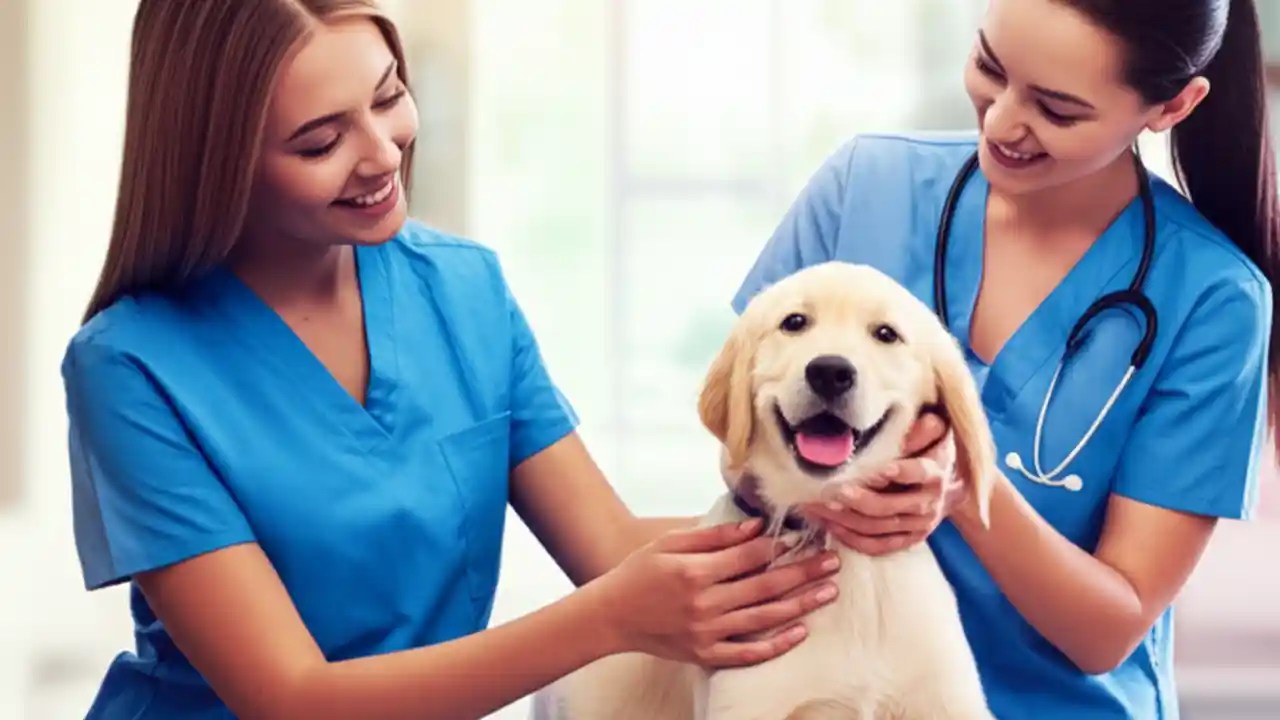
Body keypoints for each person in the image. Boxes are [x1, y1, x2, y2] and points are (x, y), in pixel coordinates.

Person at [61, 1, 965, 718]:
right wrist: (608, 620)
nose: (384, 155)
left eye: (387, 97)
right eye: (320, 141)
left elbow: (610, 548)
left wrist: (834, 510)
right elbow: (290, 698)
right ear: (219, 160)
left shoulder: (463, 291)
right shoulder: (133, 368)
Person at [733, 0, 1279, 718]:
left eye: (1057, 110)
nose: (999, 122)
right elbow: (737, 453)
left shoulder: (1213, 297)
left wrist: (964, 486)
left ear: (1171, 105)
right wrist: (823, 477)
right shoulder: (863, 188)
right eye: (990, 66)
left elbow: (1107, 630)